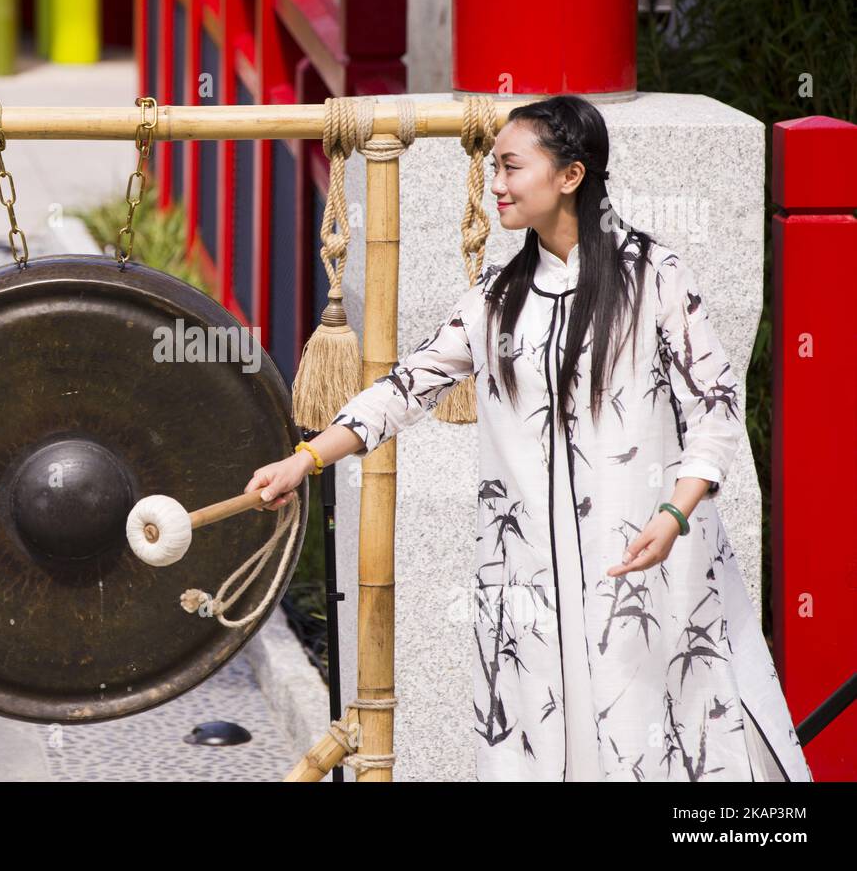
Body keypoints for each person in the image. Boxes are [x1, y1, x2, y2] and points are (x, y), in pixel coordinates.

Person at [246, 95, 813, 782]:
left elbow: (717, 412)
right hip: (528, 582)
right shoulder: (496, 297)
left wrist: (673, 514)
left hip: (645, 564)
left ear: (570, 176)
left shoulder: (652, 276)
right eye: (496, 168)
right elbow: (404, 389)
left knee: (657, 738)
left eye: (513, 167)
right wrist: (303, 460)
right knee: (535, 739)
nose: (498, 184)